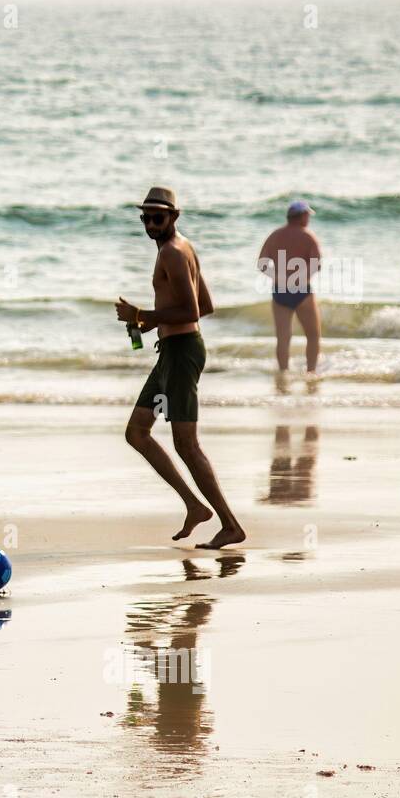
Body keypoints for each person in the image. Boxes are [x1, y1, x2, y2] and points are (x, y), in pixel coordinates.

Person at [115, 187, 246, 550]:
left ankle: (230, 525)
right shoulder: (182, 248)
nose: (151, 224)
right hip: (172, 352)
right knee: (137, 431)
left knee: (186, 444)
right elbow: (204, 305)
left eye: (158, 217)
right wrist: (151, 324)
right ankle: (193, 505)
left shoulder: (172, 253)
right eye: (145, 218)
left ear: (174, 216)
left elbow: (191, 311)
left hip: (182, 355)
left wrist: (142, 315)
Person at [259, 201, 322, 373]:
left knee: (283, 338)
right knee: (313, 336)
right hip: (302, 289)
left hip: (280, 289)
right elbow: (316, 264)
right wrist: (299, 278)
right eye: (307, 215)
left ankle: (284, 374)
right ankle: (311, 373)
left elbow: (262, 264)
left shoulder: (275, 236)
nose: (308, 218)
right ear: (301, 216)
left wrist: (280, 278)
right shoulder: (308, 236)